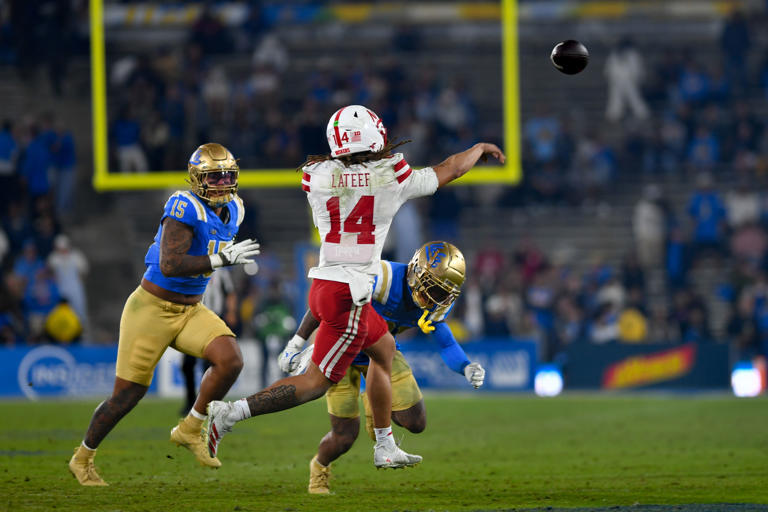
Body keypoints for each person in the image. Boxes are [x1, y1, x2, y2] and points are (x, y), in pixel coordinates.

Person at [203, 105, 504, 470]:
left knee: (384, 348)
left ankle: (384, 445)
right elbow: (450, 169)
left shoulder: (317, 175)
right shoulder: (391, 176)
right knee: (314, 383)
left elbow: (339, 171)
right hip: (347, 293)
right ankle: (232, 412)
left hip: (328, 282)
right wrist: (479, 148)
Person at [68, 143, 260, 486]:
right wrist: (220, 260)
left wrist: (221, 261)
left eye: (227, 175)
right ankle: (82, 458)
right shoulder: (184, 206)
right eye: (214, 176)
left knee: (230, 359)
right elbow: (170, 265)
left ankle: (190, 428)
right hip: (151, 308)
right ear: (197, 178)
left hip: (191, 309)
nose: (222, 183)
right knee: (126, 396)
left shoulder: (236, 208)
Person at [278, 241, 486, 494]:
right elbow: (324, 298)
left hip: (383, 353)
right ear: (416, 272)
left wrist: (465, 366)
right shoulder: (382, 277)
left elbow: (445, 342)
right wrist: (297, 341)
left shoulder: (437, 303)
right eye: (433, 287)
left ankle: (375, 405)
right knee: (344, 437)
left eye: (444, 292)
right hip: (343, 351)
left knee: (416, 421)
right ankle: (319, 466)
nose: (436, 297)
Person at [180, 266, 238, 415]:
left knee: (209, 364)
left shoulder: (221, 272)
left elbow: (230, 293)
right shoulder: (190, 270)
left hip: (213, 320)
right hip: (193, 321)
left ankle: (206, 403)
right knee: (187, 364)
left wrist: (231, 312)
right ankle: (190, 402)